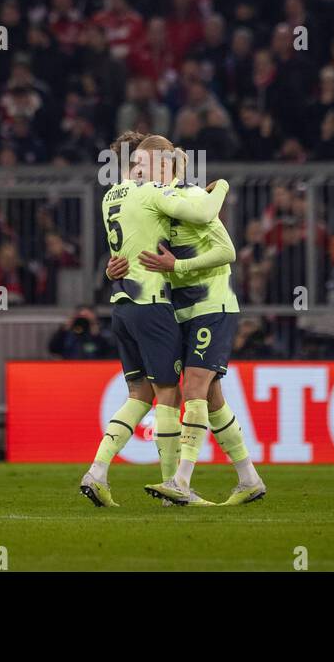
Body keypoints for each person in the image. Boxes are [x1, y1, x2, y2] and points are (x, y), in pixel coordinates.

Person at [109, 135, 267, 506]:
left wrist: (178, 265)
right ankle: (249, 479)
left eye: (148, 166)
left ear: (167, 167)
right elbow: (132, 244)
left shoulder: (193, 197)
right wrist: (113, 267)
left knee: (194, 388)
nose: (140, 173)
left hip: (212, 305)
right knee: (211, 397)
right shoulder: (158, 204)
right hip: (179, 310)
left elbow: (227, 251)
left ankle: (181, 481)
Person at [79, 133, 229, 508]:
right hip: (152, 303)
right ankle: (172, 488)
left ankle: (96, 472)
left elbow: (123, 249)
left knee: (139, 394)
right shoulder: (148, 193)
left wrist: (110, 270)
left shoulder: (110, 196)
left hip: (121, 306)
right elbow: (204, 213)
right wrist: (221, 186)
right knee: (169, 394)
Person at [47, 306, 116, 359]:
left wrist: (97, 335)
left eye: (86, 317)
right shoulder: (67, 334)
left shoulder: (101, 333)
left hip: (94, 369)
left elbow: (109, 352)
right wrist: (64, 330)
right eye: (81, 317)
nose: (83, 320)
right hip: (70, 368)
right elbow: (53, 349)